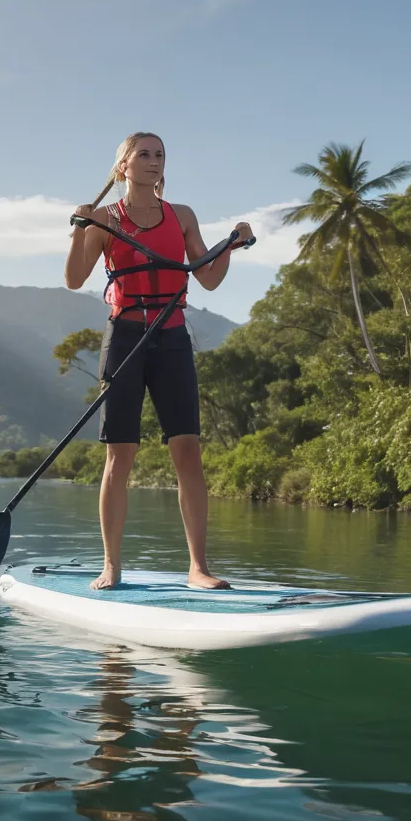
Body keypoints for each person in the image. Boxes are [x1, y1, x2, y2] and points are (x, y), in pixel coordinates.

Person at [63, 132, 252, 591]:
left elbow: (206, 280)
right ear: (123, 166)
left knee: (188, 451)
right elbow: (73, 279)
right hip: (126, 336)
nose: (153, 161)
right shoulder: (105, 219)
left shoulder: (181, 216)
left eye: (159, 154)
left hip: (171, 336)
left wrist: (231, 244)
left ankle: (198, 568)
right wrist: (79, 230)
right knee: (119, 457)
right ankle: (111, 564)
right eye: (143, 154)